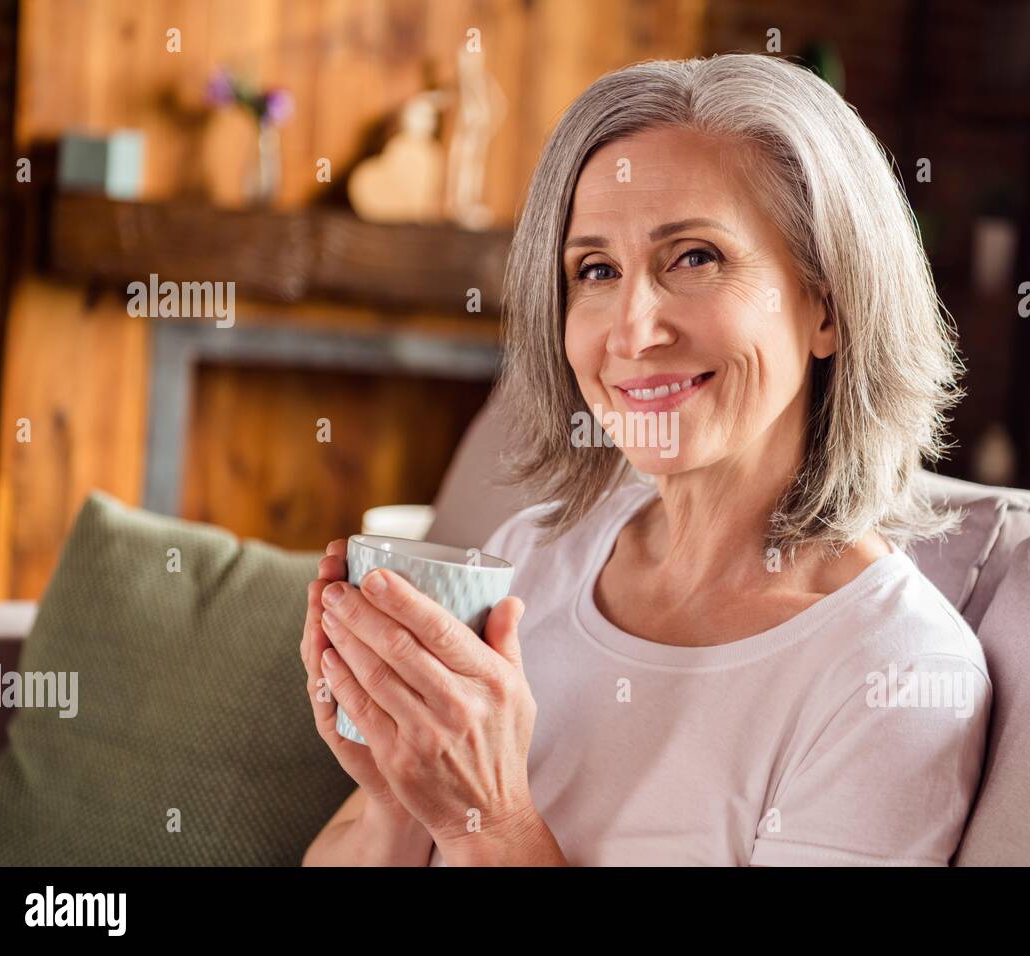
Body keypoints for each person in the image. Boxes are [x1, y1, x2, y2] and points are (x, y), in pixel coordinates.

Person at [302, 53, 991, 867]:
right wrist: (398, 790)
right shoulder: (534, 556)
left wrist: (488, 820)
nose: (631, 332)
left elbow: (480, 825)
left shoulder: (896, 675)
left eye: (694, 258)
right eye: (596, 270)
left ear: (829, 306)